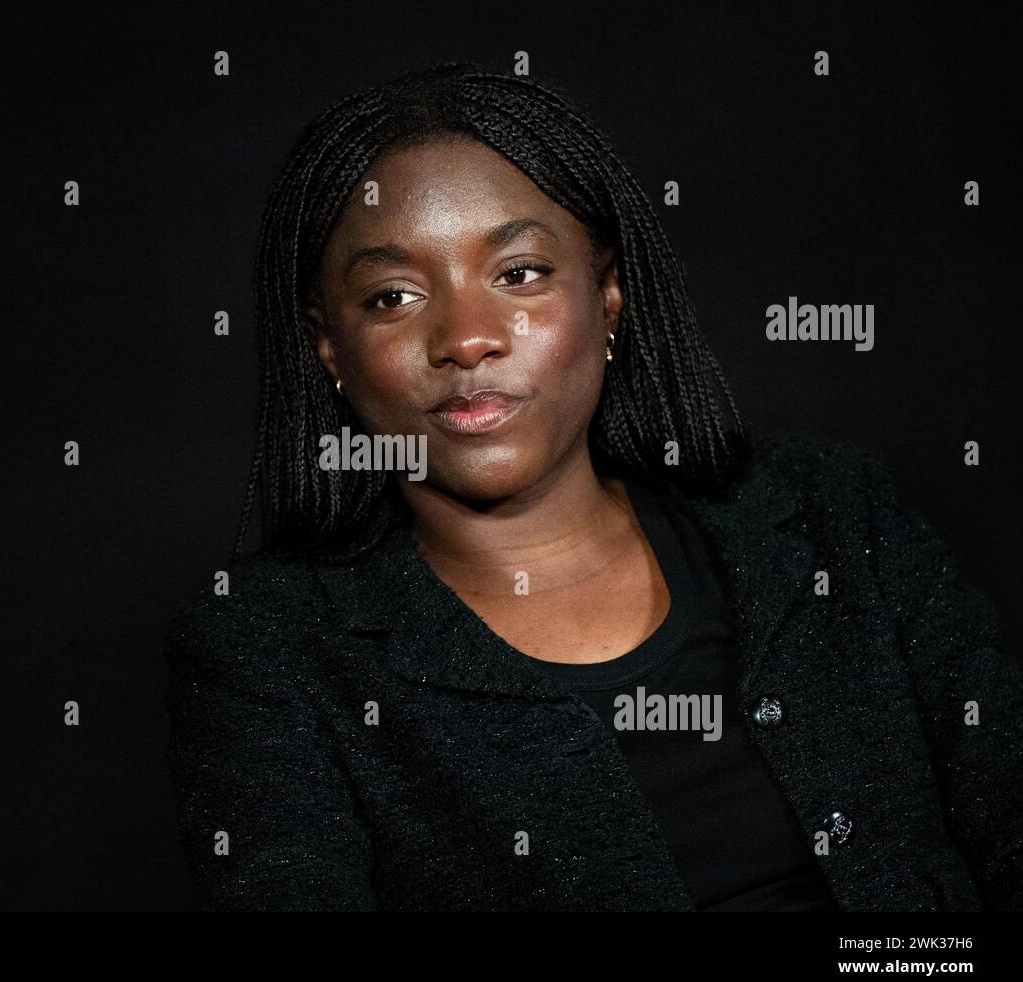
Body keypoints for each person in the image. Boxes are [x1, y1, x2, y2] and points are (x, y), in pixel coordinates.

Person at [163, 61, 1023, 911]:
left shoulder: (832, 508)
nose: (466, 339)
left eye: (520, 274)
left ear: (607, 294)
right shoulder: (268, 651)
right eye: (392, 295)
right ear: (328, 348)